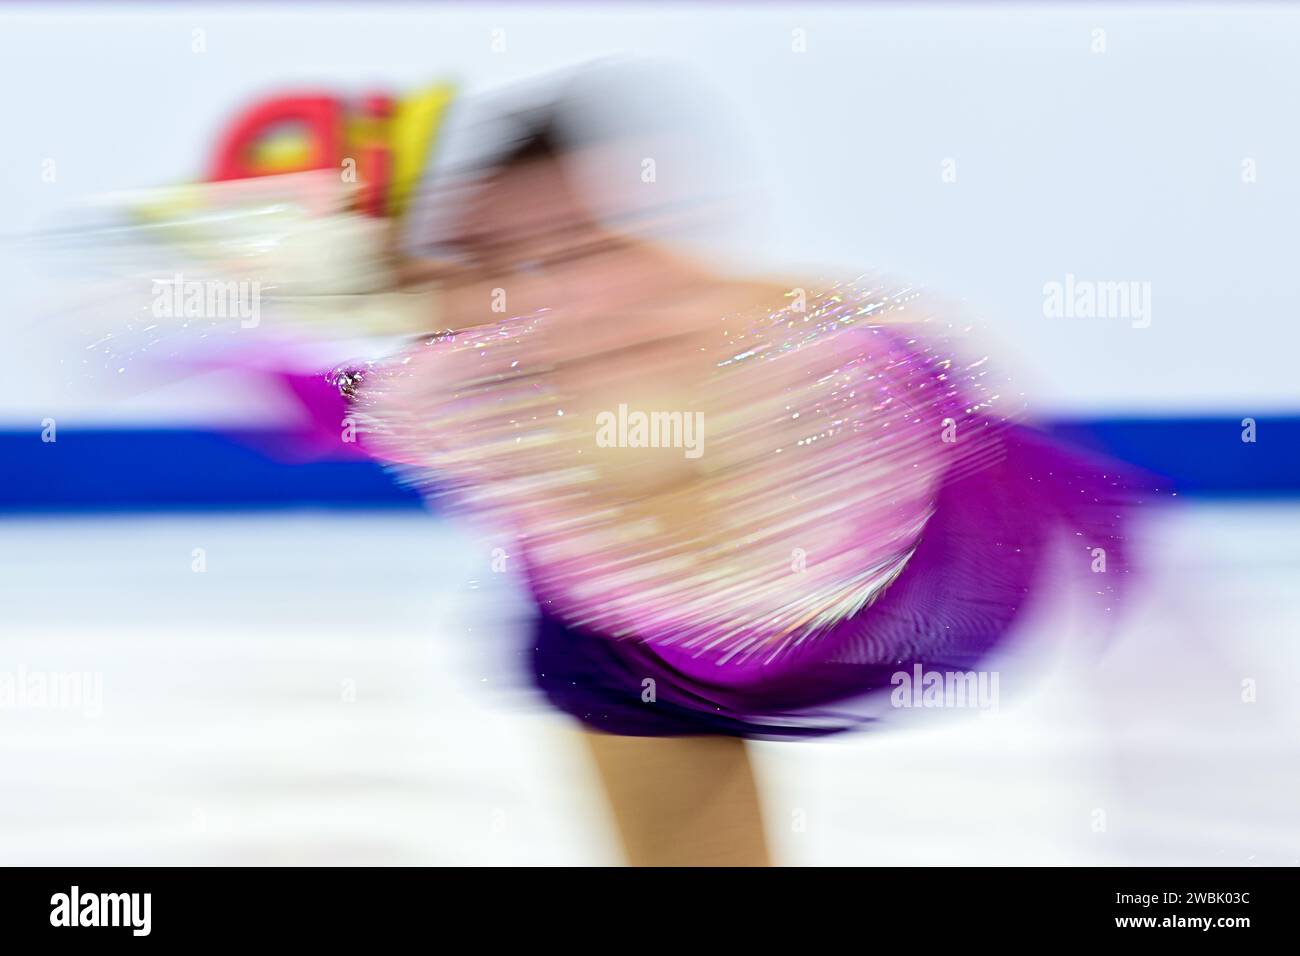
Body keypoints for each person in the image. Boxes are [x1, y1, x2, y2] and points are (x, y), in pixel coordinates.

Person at [353, 67, 1143, 867]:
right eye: (498, 262)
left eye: (590, 244)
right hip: (644, 657)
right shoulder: (452, 382)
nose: (565, 293)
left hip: (894, 607)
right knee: (589, 647)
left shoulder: (809, 341)